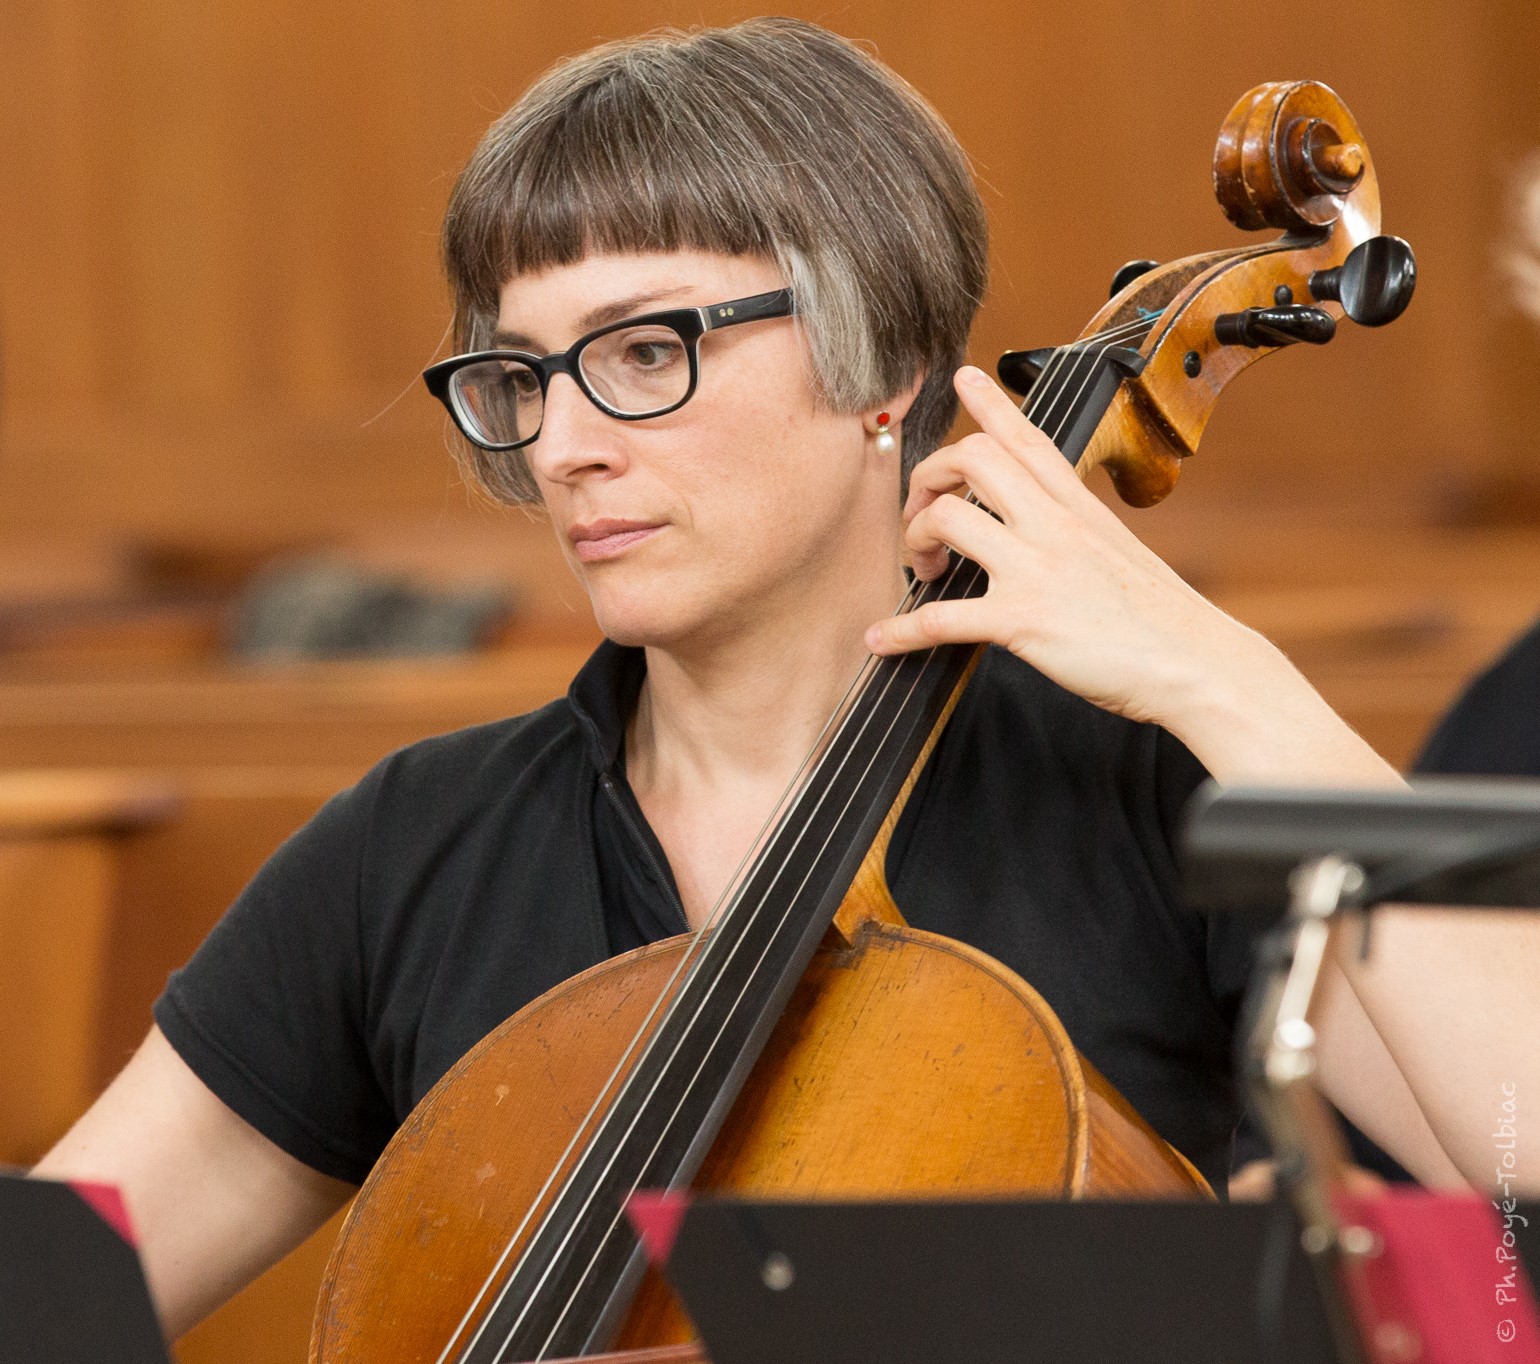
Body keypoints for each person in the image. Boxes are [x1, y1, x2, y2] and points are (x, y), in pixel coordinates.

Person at [33, 18, 1537, 1340]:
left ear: (880, 362)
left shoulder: (1145, 790)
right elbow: (48, 1297)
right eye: (524, 373)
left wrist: (1230, 683)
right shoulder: (416, 851)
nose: (564, 444)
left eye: (644, 351)